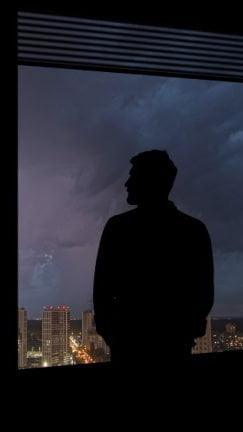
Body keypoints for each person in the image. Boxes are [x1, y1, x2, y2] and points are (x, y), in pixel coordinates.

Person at [93, 150, 214, 367]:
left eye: (133, 176)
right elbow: (203, 296)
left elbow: (101, 291)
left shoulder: (118, 228)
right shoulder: (194, 230)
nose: (127, 184)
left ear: (150, 181)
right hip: (172, 345)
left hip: (134, 346)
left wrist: (116, 337)